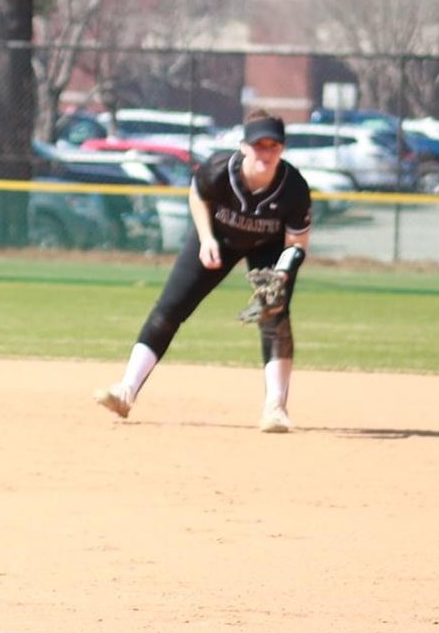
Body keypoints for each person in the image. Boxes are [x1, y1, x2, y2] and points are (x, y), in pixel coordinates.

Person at [93, 110, 312, 432]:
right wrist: (206, 238)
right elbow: (198, 195)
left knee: (275, 316)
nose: (265, 153)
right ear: (243, 146)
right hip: (219, 237)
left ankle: (275, 408)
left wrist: (281, 274)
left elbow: (297, 241)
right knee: (170, 308)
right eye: (258, 145)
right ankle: (126, 389)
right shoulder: (219, 169)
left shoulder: (293, 187)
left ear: (282, 149)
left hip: (269, 246)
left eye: (273, 146)